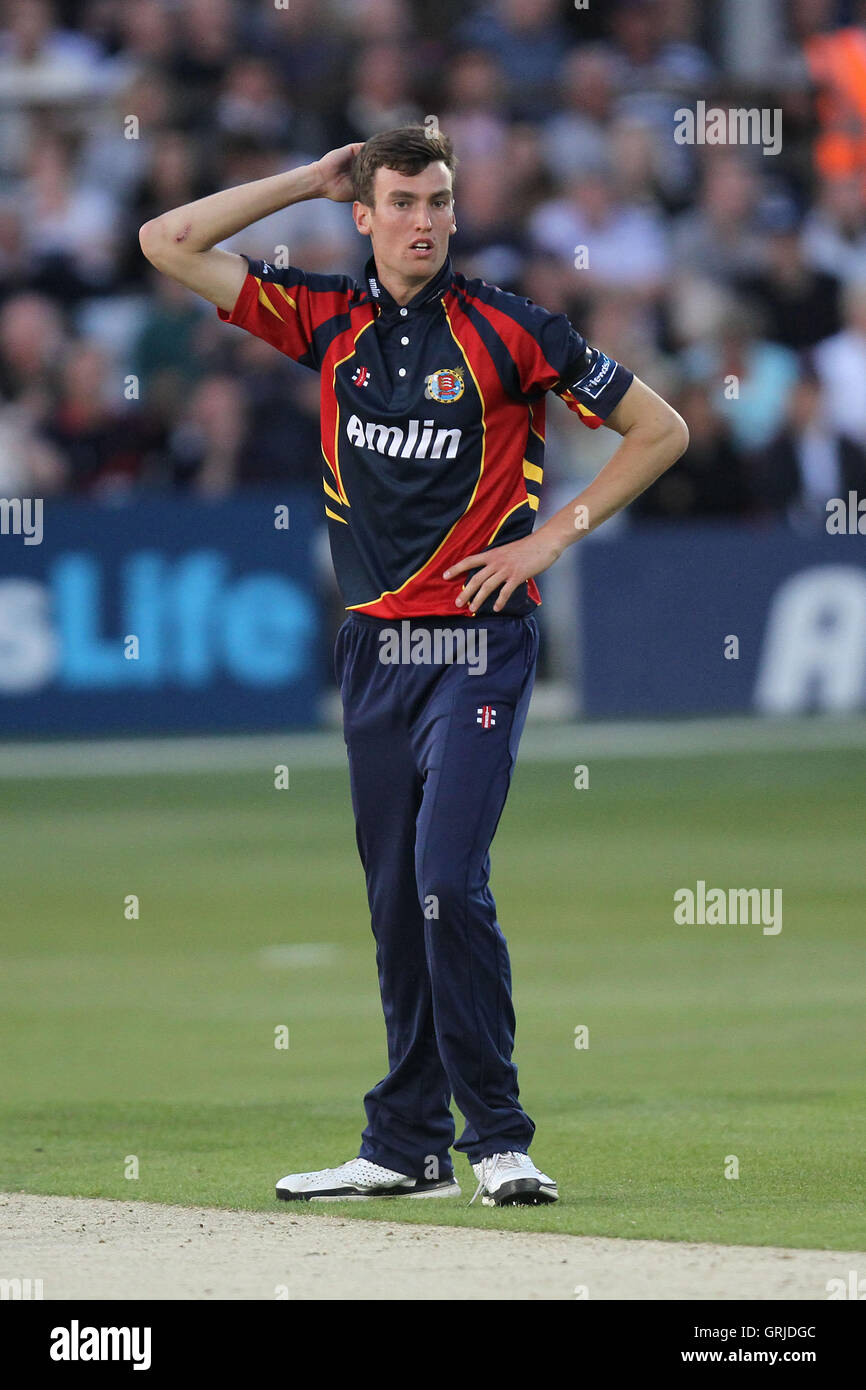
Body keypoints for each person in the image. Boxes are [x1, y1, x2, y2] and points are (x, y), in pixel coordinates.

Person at [139, 126, 688, 1206]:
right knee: (398, 900)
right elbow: (166, 238)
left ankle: (498, 1137)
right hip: (375, 647)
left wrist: (548, 537)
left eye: (437, 199)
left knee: (445, 879)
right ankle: (404, 1145)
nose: (425, 220)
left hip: (478, 644)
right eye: (400, 201)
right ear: (363, 213)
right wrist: (305, 175)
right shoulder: (325, 321)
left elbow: (657, 428)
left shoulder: (511, 329)